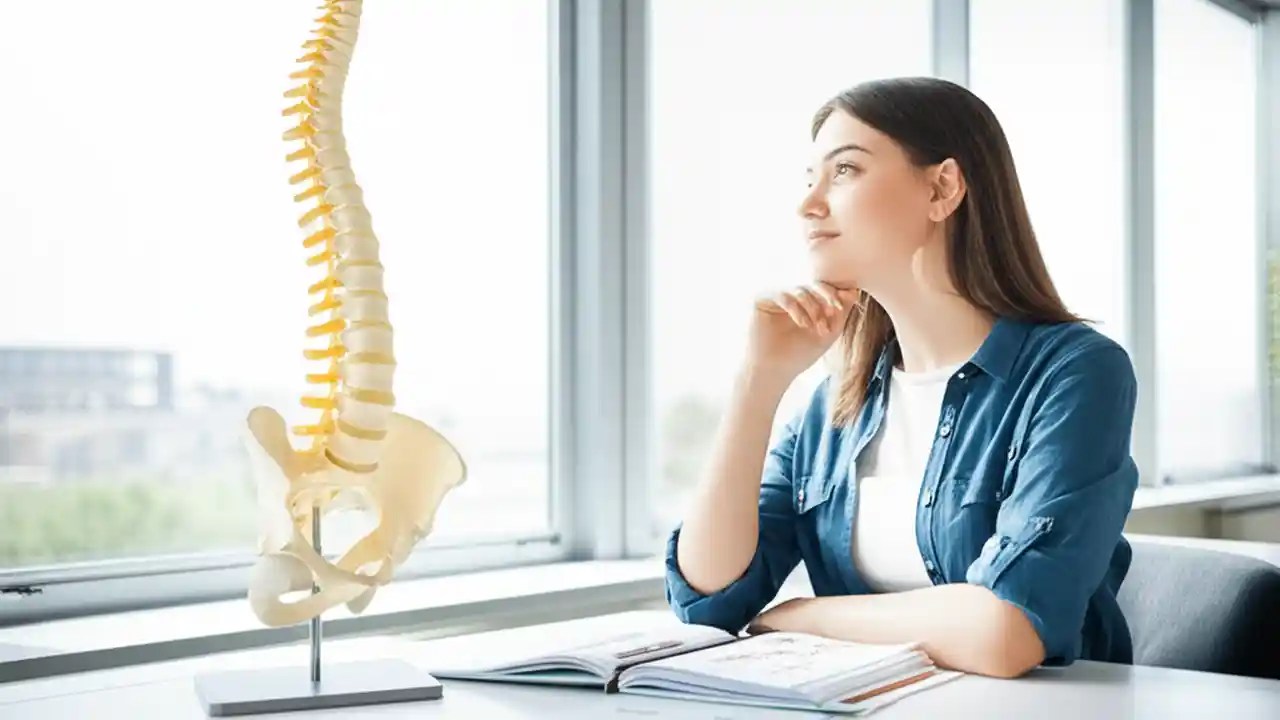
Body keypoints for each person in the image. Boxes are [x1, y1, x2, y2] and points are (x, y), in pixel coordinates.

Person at [665, 77, 1139, 679]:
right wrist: (757, 382)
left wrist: (806, 616)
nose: (809, 205)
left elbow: (1008, 632)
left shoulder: (1073, 373)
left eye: (844, 172)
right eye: (809, 179)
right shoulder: (837, 405)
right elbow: (709, 597)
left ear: (942, 187)